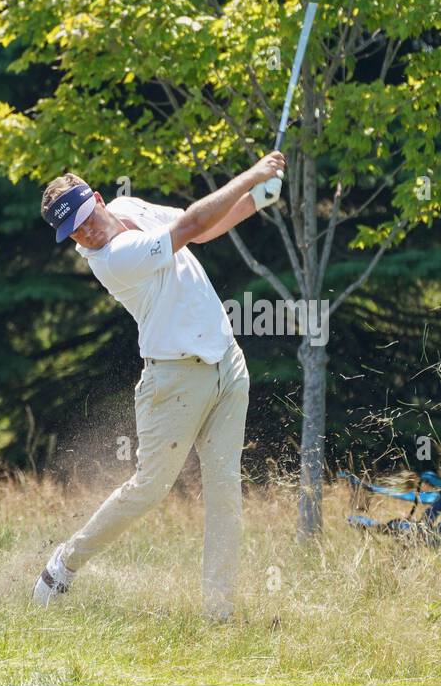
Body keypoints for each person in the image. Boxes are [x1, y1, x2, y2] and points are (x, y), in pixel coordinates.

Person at [32, 151, 286, 621]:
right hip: (173, 381)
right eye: (74, 233)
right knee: (150, 488)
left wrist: (256, 199)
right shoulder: (110, 260)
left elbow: (204, 229)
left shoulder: (133, 210)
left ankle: (219, 613)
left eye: (87, 219)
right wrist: (252, 174)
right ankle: (64, 564)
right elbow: (189, 225)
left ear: (99, 200)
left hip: (227, 363)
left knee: (225, 489)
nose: (85, 234)